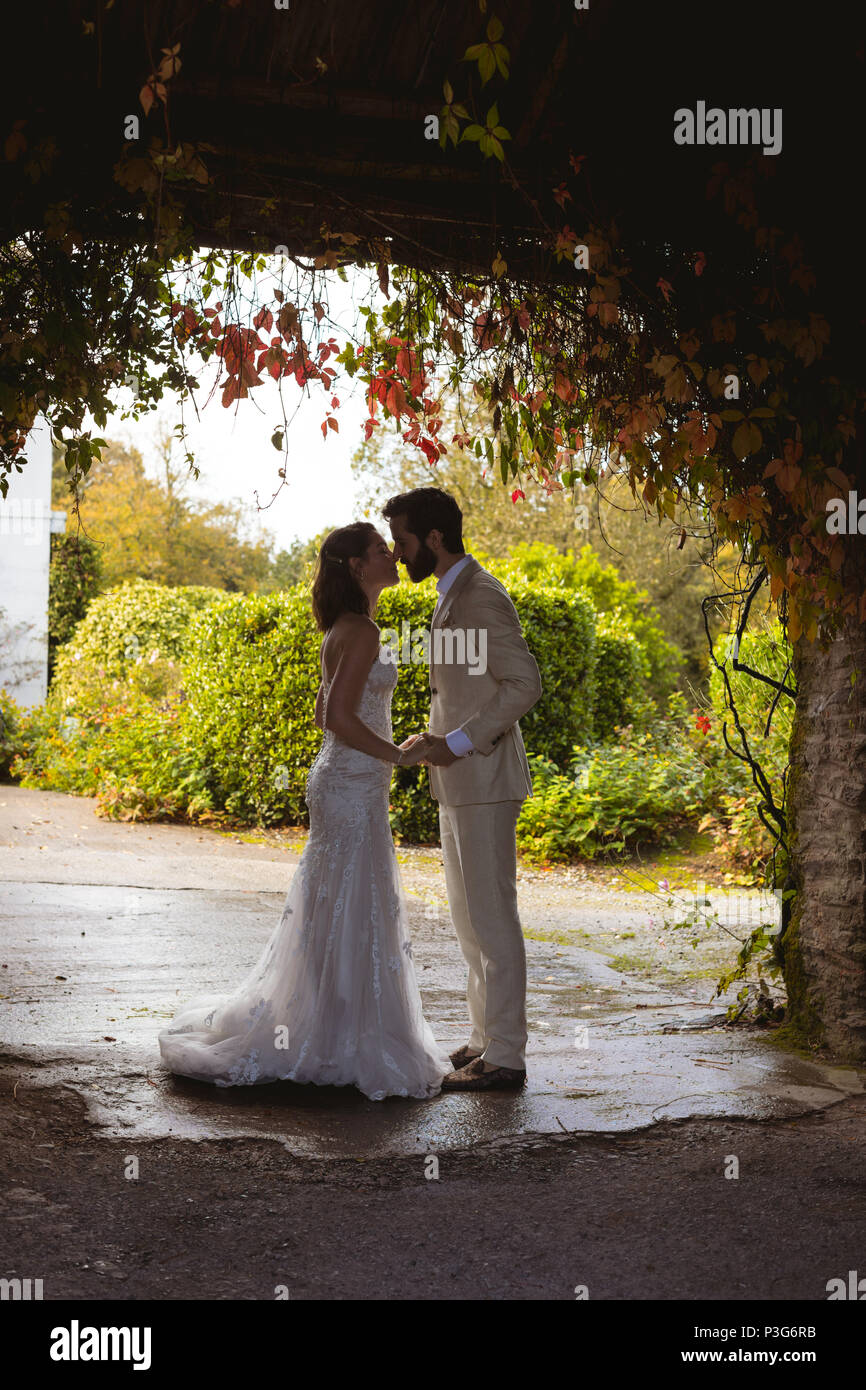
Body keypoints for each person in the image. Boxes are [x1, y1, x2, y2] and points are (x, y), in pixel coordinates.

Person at [158, 522, 451, 1101]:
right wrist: (397, 754)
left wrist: (382, 758)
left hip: (344, 780)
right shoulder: (361, 631)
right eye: (377, 549)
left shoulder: (346, 629)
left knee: (340, 900)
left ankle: (331, 1028)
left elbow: (324, 714)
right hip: (350, 783)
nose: (391, 554)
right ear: (355, 568)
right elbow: (338, 718)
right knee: (352, 900)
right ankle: (339, 1036)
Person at [383, 487, 543, 1091]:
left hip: (484, 780)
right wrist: (439, 738)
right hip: (458, 779)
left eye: (402, 540)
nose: (398, 554)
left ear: (434, 538)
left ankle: (506, 1058)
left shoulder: (480, 595)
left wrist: (456, 742)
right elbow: (472, 688)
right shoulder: (451, 597)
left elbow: (523, 684)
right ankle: (483, 1040)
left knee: (493, 918)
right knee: (468, 918)